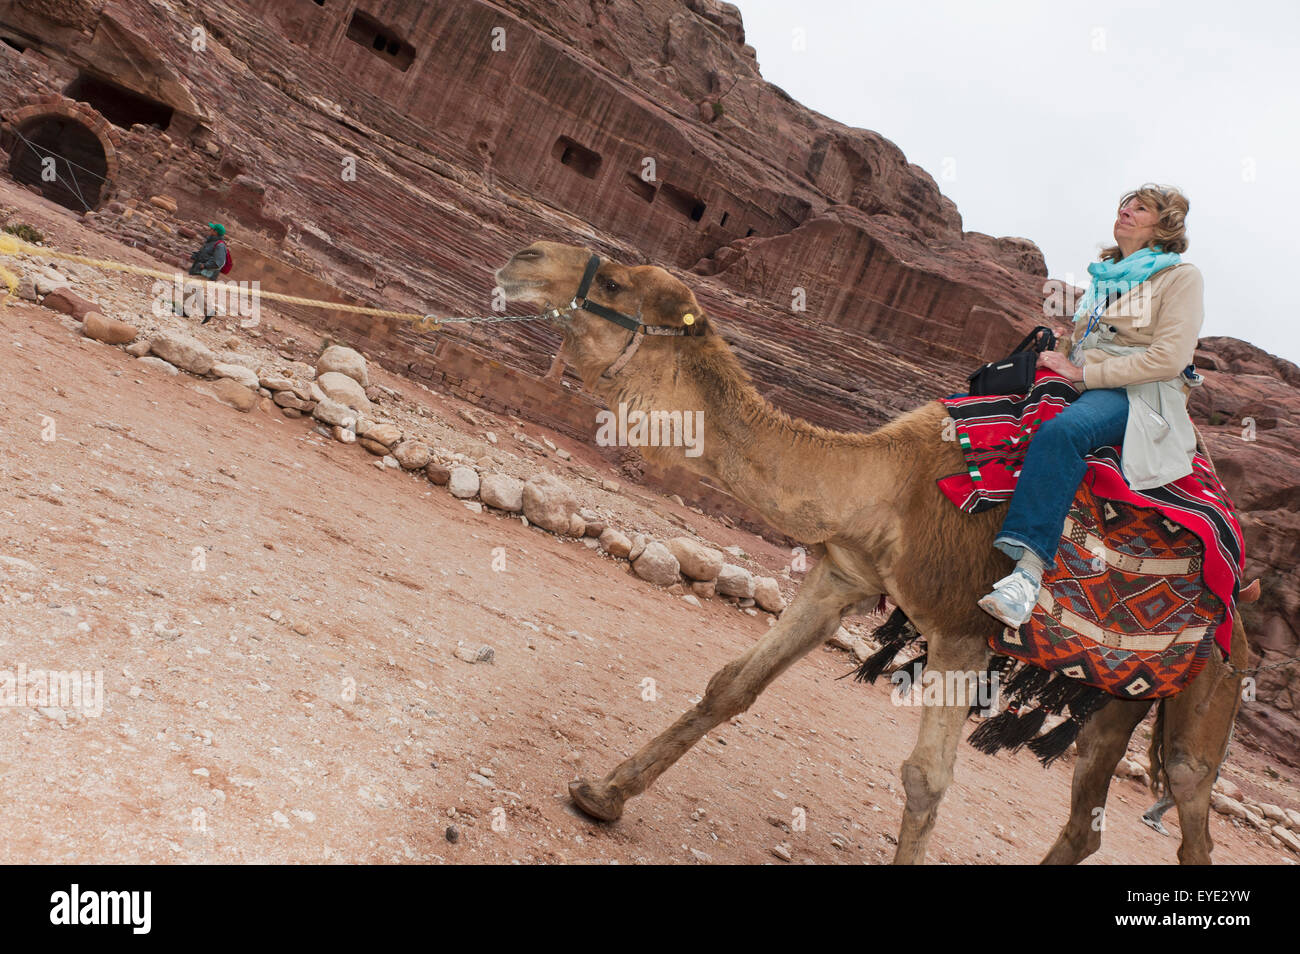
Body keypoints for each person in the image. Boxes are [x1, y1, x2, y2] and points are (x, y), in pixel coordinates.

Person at [978, 184, 1205, 627]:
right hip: (1084, 379)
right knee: (990, 404)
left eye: (1140, 208)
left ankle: (1026, 577)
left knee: (1064, 433)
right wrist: (1056, 356)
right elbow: (1086, 340)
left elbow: (1169, 359)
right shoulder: (1107, 274)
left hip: (1136, 393)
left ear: (1164, 224)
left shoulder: (1181, 278)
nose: (1126, 211)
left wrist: (1082, 374)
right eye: (1125, 204)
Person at [188, 222, 230, 324]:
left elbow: (218, 262)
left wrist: (205, 265)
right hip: (201, 271)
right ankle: (188, 311)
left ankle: (208, 311)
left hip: (206, 273)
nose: (209, 230)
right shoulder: (211, 242)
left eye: (212, 229)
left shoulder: (220, 245)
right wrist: (196, 255)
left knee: (191, 288)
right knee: (193, 290)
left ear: (215, 232)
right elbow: (205, 254)